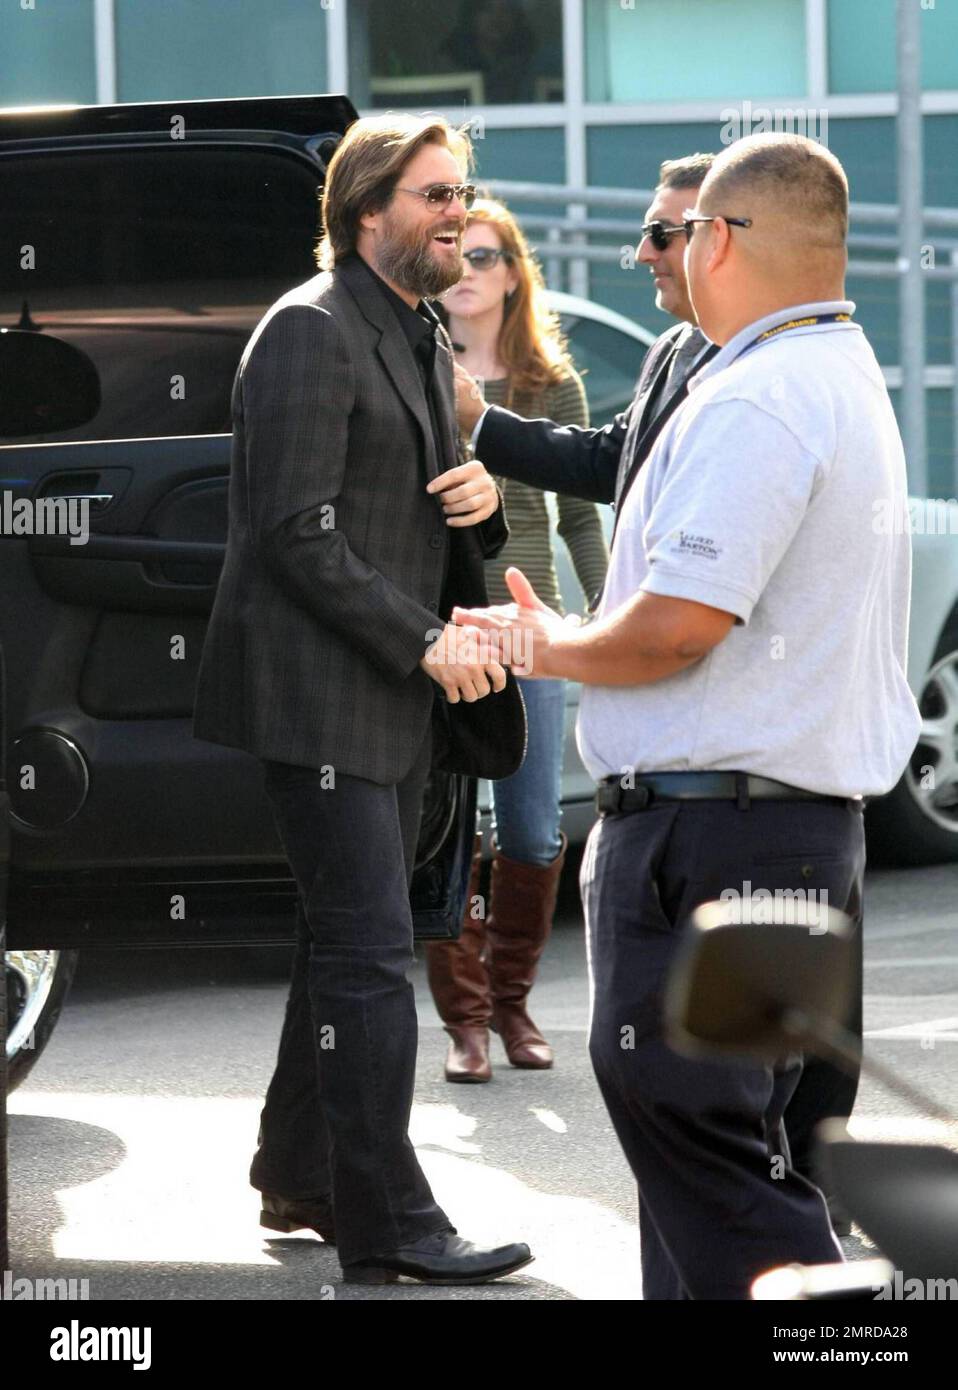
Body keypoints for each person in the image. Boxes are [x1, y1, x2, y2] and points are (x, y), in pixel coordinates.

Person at [455, 132, 921, 1299]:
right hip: (777, 831)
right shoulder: (825, 369)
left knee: (710, 1161)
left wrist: (535, 640)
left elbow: (674, 628)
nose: (660, 251)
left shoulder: (760, 395)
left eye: (679, 229)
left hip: (716, 838)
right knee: (727, 1164)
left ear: (720, 239)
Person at [192, 112, 532, 1286]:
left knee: (340, 946)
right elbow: (296, 529)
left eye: (463, 193)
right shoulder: (310, 330)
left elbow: (412, 508)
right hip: (318, 696)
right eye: (437, 195)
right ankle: (391, 1224)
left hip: (393, 695)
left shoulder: (422, 331)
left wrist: (482, 503)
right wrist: (422, 638)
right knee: (371, 956)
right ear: (367, 208)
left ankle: (301, 1172)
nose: (461, 215)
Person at [425, 197, 608, 1083]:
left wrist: (605, 613)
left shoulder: (547, 381)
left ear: (513, 276)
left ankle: (513, 1007)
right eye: (457, 251)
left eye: (488, 255)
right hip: (450, 632)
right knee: (452, 832)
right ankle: (464, 1024)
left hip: (531, 634)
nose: (468, 269)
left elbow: (581, 515)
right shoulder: (415, 367)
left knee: (534, 830)